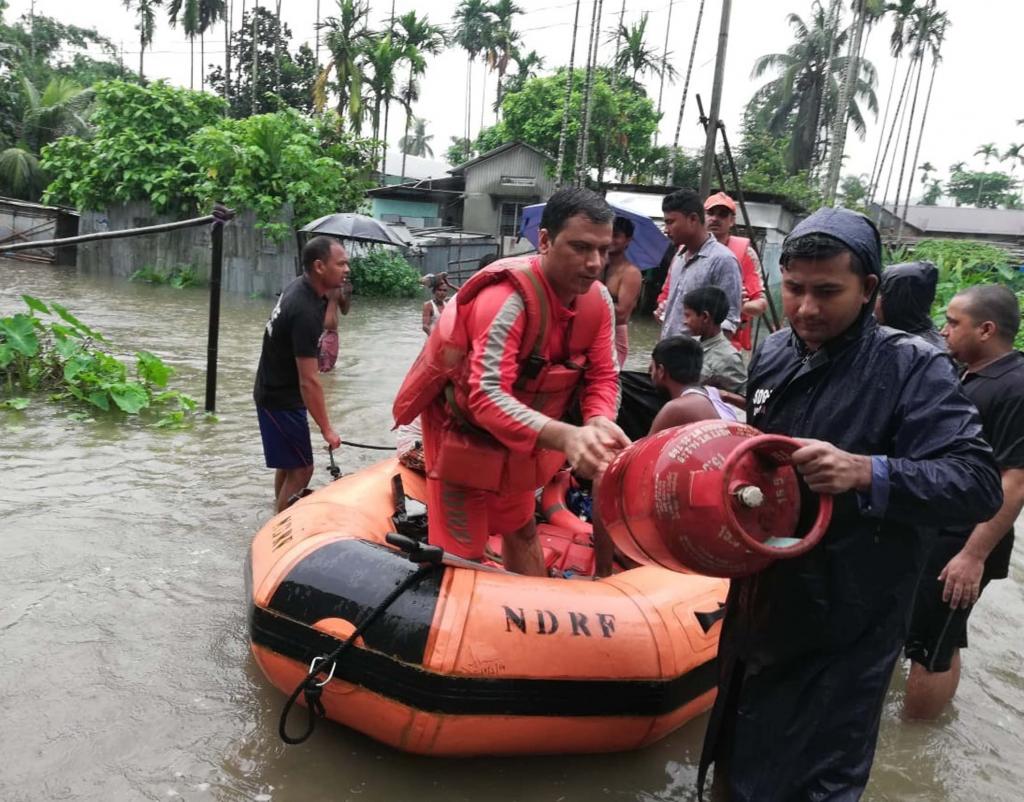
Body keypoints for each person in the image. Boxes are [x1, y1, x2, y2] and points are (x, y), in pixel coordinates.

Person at [697, 208, 1002, 801]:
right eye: (796, 289)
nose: (807, 307)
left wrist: (867, 471)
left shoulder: (914, 366)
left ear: (867, 290)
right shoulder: (778, 351)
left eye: (828, 291)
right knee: (734, 758)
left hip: (849, 618)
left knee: (817, 780)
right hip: (762, 601)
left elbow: (976, 482)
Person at [394, 187, 630, 577]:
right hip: (464, 437)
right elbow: (486, 397)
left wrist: (598, 420)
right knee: (462, 559)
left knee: (521, 530)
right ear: (544, 241)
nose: (594, 263)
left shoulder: (599, 302)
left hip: (527, 444)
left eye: (603, 251)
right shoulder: (506, 301)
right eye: (580, 247)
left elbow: (604, 375)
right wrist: (568, 438)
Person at [903, 284, 1024, 720]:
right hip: (938, 531)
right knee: (932, 635)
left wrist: (972, 555)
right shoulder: (969, 373)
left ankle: (915, 750)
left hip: (964, 542)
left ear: (987, 329)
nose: (943, 330)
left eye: (954, 323)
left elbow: (1015, 482)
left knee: (931, 646)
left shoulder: (1015, 386)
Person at [254, 236, 348, 512]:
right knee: (303, 468)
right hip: (280, 398)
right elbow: (309, 380)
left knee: (289, 464)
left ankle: (277, 510)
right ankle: (278, 530)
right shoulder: (304, 310)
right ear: (320, 266)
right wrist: (327, 429)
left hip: (274, 390)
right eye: (341, 264)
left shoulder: (302, 286)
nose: (347, 269)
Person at [657, 189, 742, 341]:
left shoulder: (723, 261)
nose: (666, 229)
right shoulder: (679, 257)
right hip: (668, 353)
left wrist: (701, 361)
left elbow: (729, 322)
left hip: (696, 360)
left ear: (693, 219)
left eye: (670, 222)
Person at [704, 192, 769, 354]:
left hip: (728, 344)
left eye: (722, 214)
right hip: (690, 342)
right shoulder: (687, 251)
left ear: (732, 221)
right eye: (710, 213)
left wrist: (736, 303)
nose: (715, 218)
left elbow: (760, 305)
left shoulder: (746, 254)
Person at [682, 286, 748, 395]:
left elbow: (746, 401)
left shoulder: (728, 357)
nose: (685, 321)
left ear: (705, 317)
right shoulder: (690, 344)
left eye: (688, 315)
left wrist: (717, 394)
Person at [875, 260, 946, 350]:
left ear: (895, 302)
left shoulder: (916, 352)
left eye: (879, 294)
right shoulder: (931, 340)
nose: (873, 302)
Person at [603, 216, 643, 367]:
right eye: (608, 234)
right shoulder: (597, 266)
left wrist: (592, 299)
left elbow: (621, 314)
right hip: (592, 332)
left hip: (614, 336)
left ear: (628, 240)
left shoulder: (630, 273)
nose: (610, 239)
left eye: (616, 235)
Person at [318, 278, 351, 373]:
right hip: (319, 333)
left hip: (332, 335)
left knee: (328, 372)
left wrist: (348, 293)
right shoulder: (316, 287)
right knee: (321, 371)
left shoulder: (337, 288)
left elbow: (344, 311)